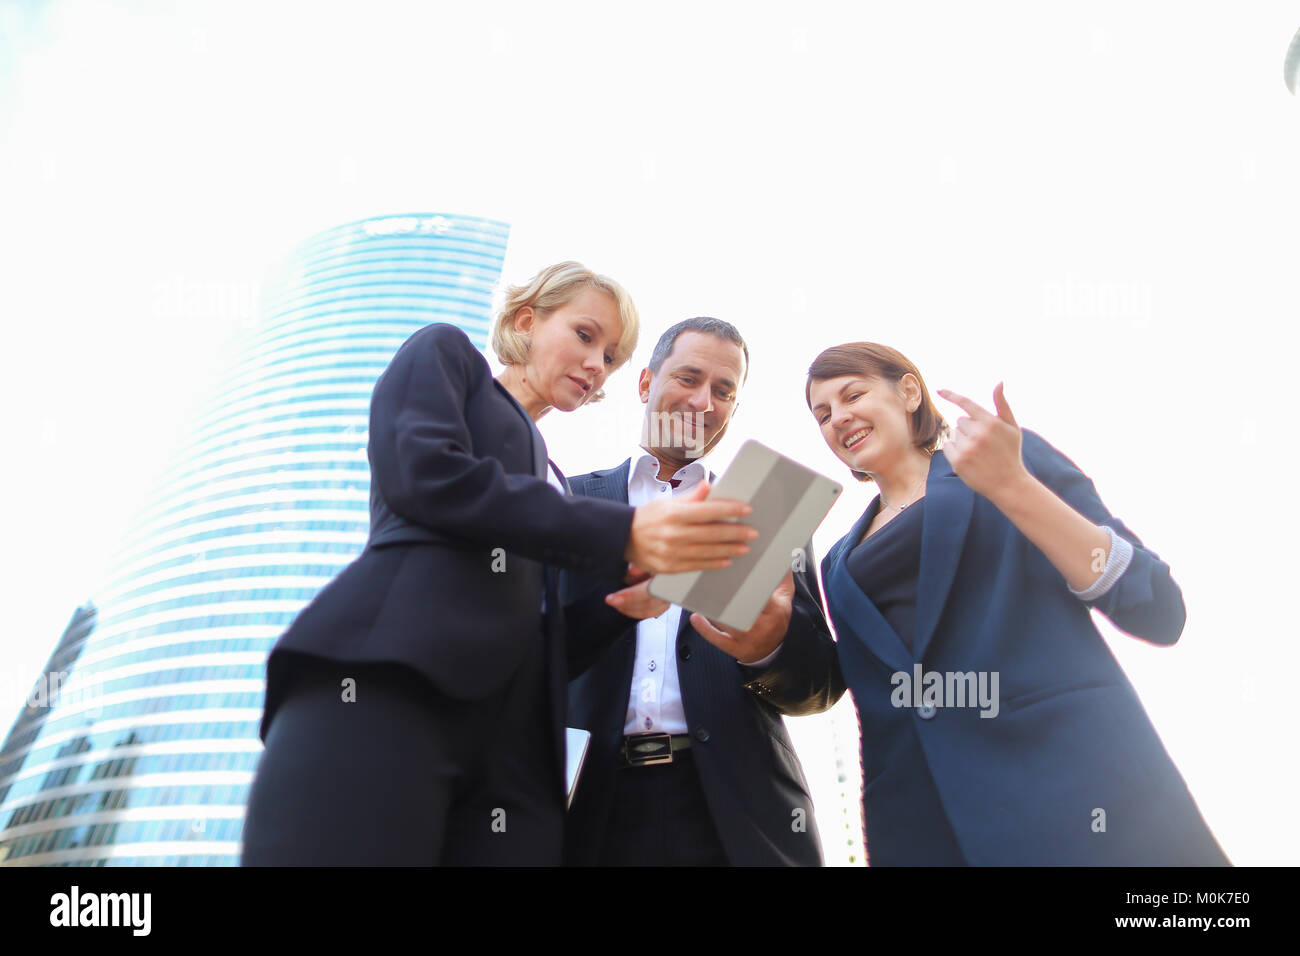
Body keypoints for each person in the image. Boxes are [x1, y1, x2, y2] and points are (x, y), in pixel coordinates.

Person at [240, 263, 757, 866]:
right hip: (391, 686)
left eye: (611, 357)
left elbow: (546, 645)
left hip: (508, 756)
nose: (596, 364)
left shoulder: (555, 480)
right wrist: (623, 531)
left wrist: (625, 605)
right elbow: (426, 474)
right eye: (585, 335)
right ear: (526, 321)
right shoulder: (447, 357)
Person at [806, 341, 1229, 866]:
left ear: (909, 392)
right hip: (928, 831)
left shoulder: (1008, 458)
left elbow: (1157, 608)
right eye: (822, 415)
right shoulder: (836, 564)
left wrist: (1012, 485)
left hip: (1079, 796)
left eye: (852, 396)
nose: (838, 418)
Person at [562, 317, 845, 866]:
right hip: (589, 810)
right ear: (645, 383)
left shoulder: (767, 513)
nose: (703, 402)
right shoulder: (568, 502)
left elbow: (819, 690)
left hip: (735, 816)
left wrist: (769, 649)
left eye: (724, 390)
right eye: (688, 378)